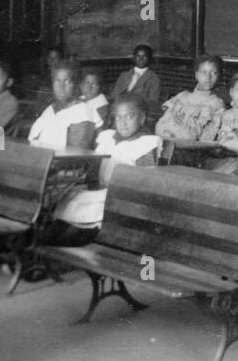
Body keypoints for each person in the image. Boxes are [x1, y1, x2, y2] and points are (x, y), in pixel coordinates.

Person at [50, 95, 163, 234]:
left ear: (142, 118)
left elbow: (144, 181)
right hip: (99, 190)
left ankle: (83, 234)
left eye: (129, 117)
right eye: (118, 117)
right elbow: (94, 167)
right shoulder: (107, 137)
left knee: (91, 209)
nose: (123, 123)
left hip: (122, 196)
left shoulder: (147, 143)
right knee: (68, 198)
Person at [27, 61, 100, 150]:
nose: (61, 87)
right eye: (57, 81)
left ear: (75, 84)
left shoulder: (83, 112)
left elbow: (76, 154)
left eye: (67, 81)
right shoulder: (51, 109)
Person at [155, 55, 226, 141]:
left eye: (214, 73)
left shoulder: (216, 103)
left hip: (188, 144)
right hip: (163, 137)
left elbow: (209, 133)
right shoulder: (183, 96)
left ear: (219, 76)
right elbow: (164, 119)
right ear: (196, 75)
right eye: (204, 72)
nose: (208, 77)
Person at [111, 44, 162, 118]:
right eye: (138, 56)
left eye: (144, 56)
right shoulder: (124, 75)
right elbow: (115, 95)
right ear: (134, 58)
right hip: (120, 109)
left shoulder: (154, 78)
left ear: (150, 59)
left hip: (138, 112)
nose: (141, 59)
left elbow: (153, 102)